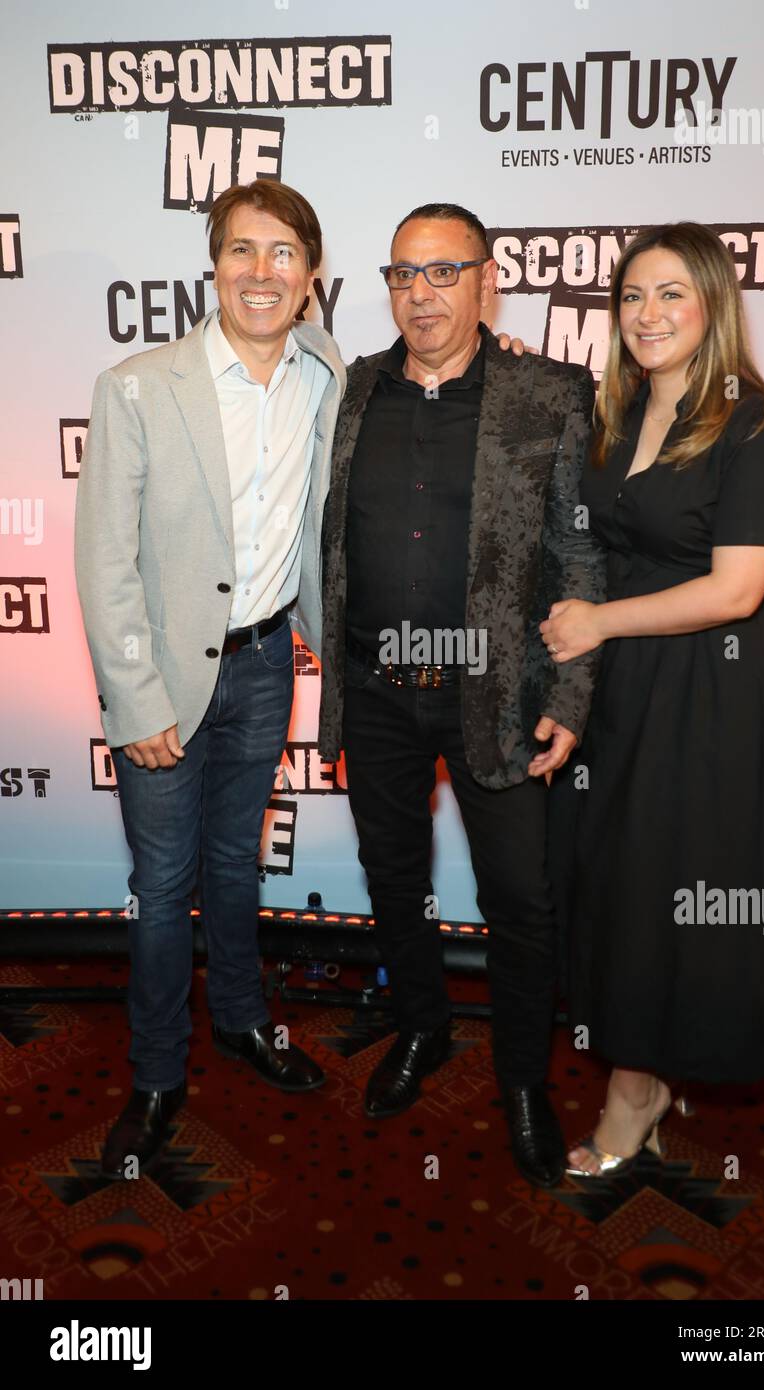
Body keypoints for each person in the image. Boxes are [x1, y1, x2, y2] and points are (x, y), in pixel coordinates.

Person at [317, 202, 605, 1186]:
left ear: (488, 281)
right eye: (403, 274)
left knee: (518, 901)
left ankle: (523, 1079)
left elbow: (578, 555)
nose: (421, 293)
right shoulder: (351, 389)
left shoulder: (550, 394)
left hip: (498, 695)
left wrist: (568, 696)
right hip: (373, 686)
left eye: (444, 272)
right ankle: (423, 1028)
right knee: (392, 877)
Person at [74, 180, 346, 1178]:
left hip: (269, 662)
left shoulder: (328, 376)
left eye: (282, 253)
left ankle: (241, 1021)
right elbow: (105, 561)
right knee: (161, 889)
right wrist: (134, 698)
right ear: (213, 265)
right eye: (241, 250)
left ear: (311, 277)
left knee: (235, 866)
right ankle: (154, 1074)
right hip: (166, 682)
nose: (260, 271)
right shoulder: (140, 385)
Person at [539, 221, 764, 1178]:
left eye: (671, 296)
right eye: (631, 298)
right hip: (625, 684)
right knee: (620, 879)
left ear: (713, 307)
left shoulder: (758, 424)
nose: (646, 316)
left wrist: (601, 626)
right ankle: (644, 1072)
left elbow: (737, 589)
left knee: (671, 884)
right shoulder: (616, 411)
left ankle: (633, 1093)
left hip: (713, 684)